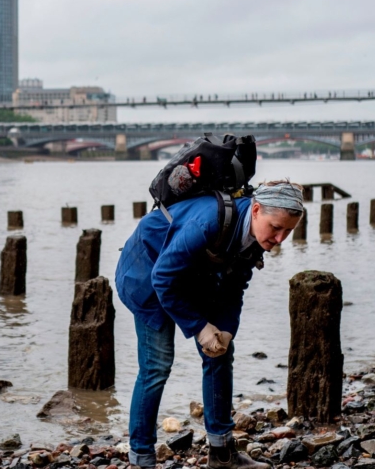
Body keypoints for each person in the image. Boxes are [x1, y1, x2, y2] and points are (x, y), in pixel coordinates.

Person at [115, 180, 305, 468]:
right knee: (157, 365)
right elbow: (163, 278)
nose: (279, 239)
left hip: (194, 275)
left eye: (288, 231)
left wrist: (226, 330)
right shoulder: (208, 224)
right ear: (255, 210)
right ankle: (142, 458)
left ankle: (222, 454)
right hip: (147, 273)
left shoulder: (257, 235)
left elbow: (234, 287)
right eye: (276, 228)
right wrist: (199, 327)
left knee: (219, 353)